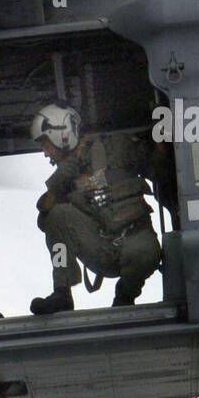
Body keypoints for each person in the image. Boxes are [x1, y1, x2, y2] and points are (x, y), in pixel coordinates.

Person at [29, 102, 165, 314]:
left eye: (46, 145)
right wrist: (68, 169)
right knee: (56, 217)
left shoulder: (116, 147)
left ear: (61, 134)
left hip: (135, 239)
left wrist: (161, 142)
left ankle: (125, 297)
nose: (46, 153)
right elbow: (45, 213)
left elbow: (157, 168)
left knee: (145, 253)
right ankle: (62, 292)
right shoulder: (65, 177)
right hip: (101, 248)